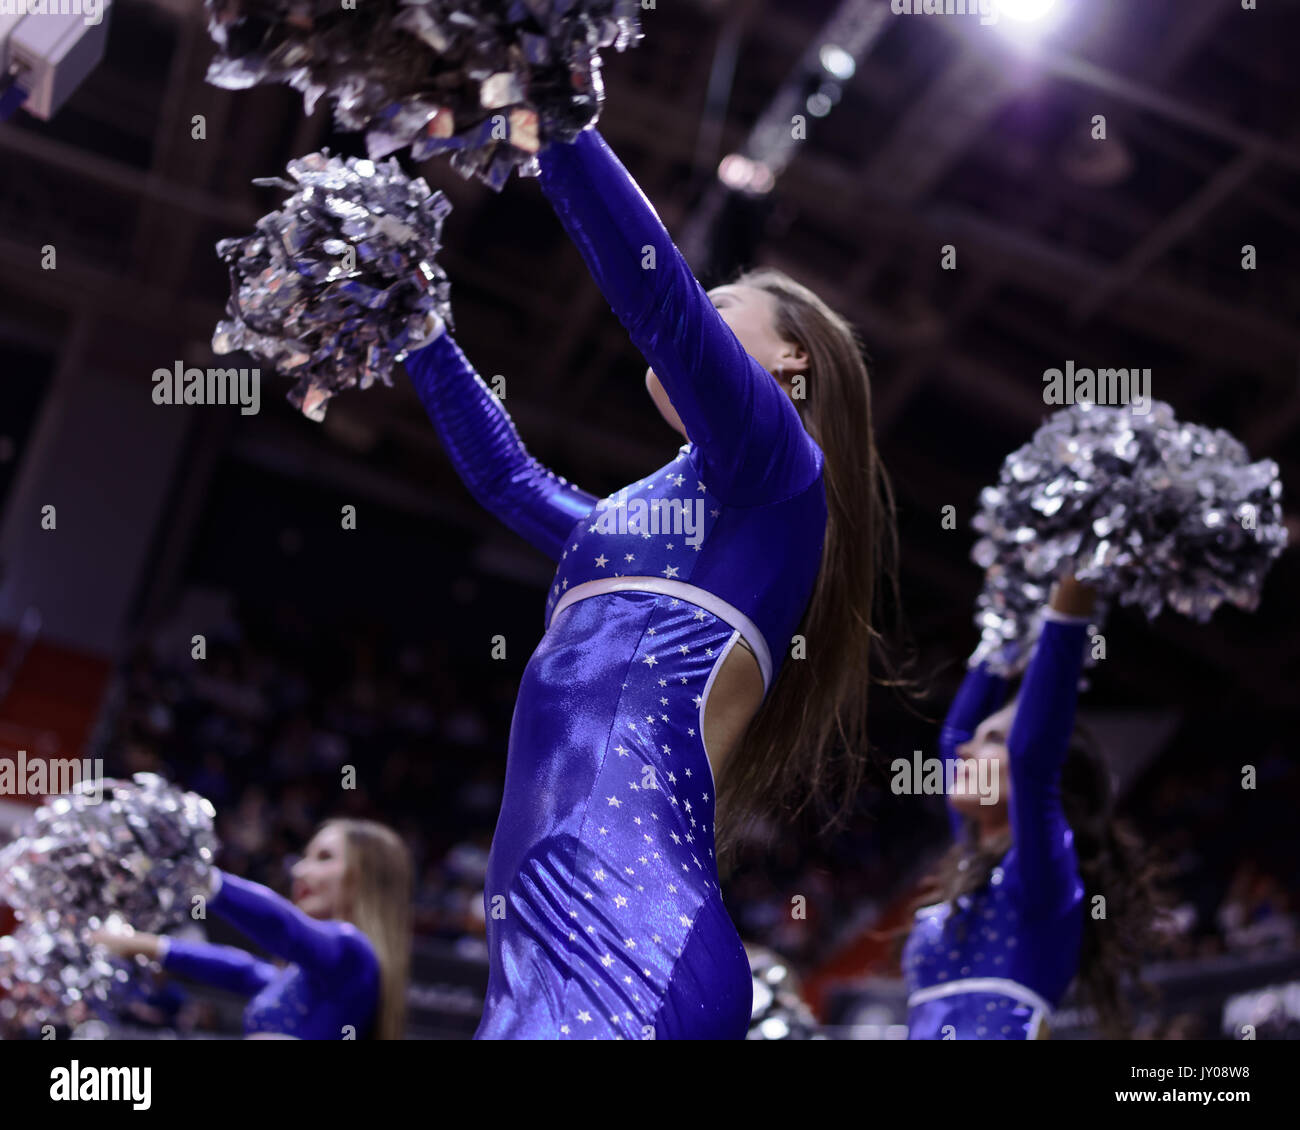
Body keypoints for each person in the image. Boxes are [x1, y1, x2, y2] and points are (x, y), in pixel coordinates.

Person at [403, 125, 900, 1038]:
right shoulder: (633, 520)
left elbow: (657, 300)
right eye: (706, 305)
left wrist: (550, 116)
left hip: (630, 926)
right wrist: (414, 322)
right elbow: (508, 479)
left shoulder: (779, 472)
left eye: (722, 308)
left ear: (792, 361)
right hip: (539, 941)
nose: (699, 322)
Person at [903, 574, 1163, 1038]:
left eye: (994, 741)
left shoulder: (1039, 880)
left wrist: (1074, 579)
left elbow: (1031, 758)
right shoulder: (973, 859)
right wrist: (1008, 604)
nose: (964, 754)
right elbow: (953, 738)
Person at [90, 818, 411, 1040]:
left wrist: (193, 874)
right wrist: (143, 944)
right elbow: (242, 971)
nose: (299, 871)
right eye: (304, 856)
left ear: (365, 878)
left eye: (324, 858)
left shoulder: (353, 953)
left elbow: (287, 931)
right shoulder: (302, 980)